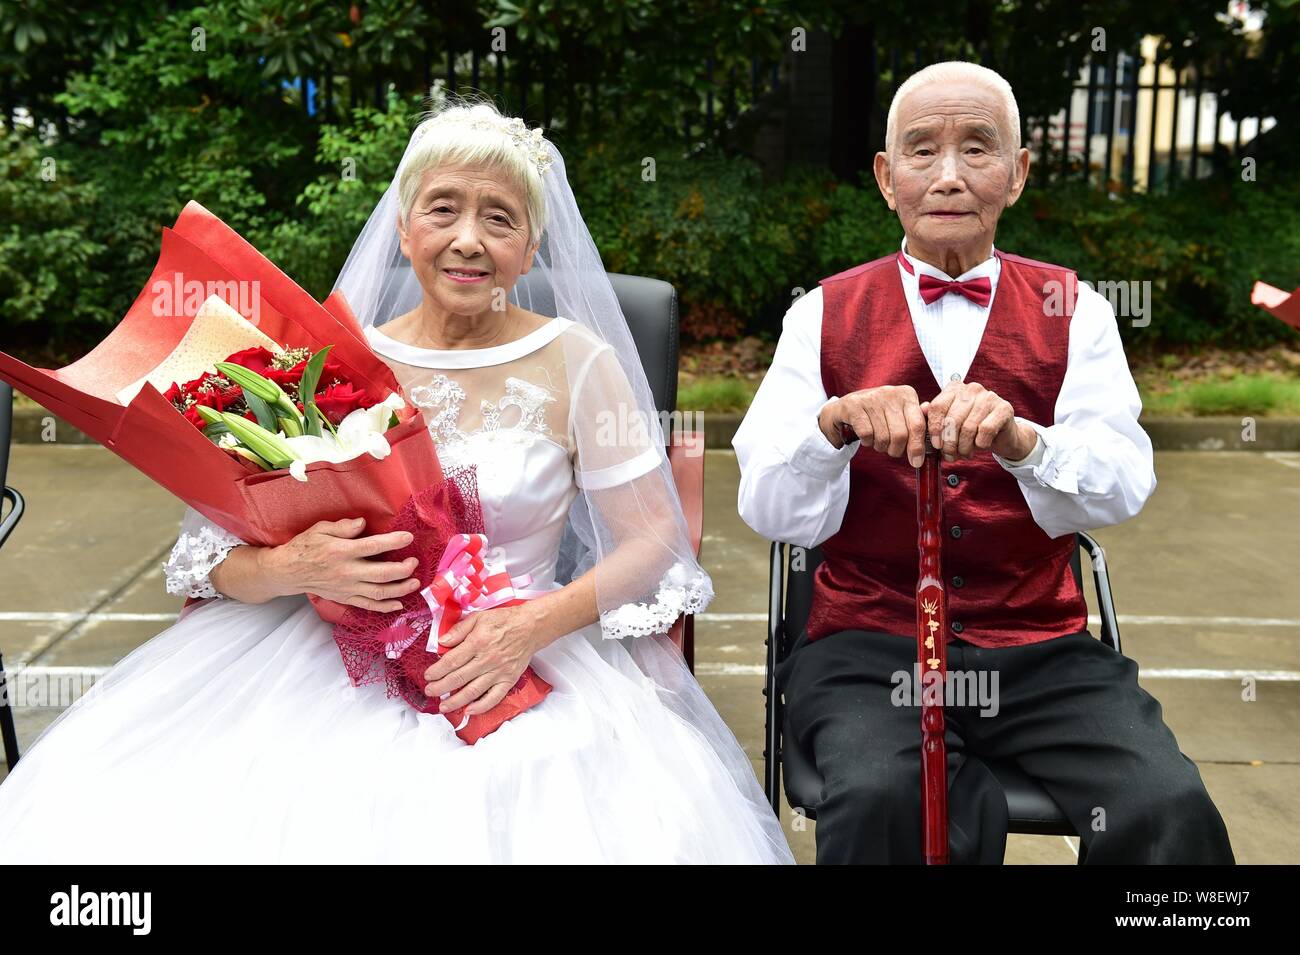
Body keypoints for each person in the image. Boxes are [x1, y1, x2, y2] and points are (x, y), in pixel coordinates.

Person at [0, 96, 794, 864]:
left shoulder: (577, 360)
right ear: (405, 227)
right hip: (317, 661)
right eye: (443, 209)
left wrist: (531, 625)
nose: (468, 240)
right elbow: (209, 561)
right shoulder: (329, 359)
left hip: (517, 653)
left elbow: (654, 539)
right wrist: (289, 566)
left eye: (500, 217)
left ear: (530, 244)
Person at [734, 61, 1234, 864]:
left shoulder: (1076, 308)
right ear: (885, 176)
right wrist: (830, 425)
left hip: (1039, 646)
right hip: (869, 647)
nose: (950, 175)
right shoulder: (822, 312)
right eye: (923, 150)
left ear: (1020, 172)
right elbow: (765, 505)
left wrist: (1025, 444)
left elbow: (1123, 479)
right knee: (881, 796)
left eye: (978, 148)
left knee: (1167, 803)